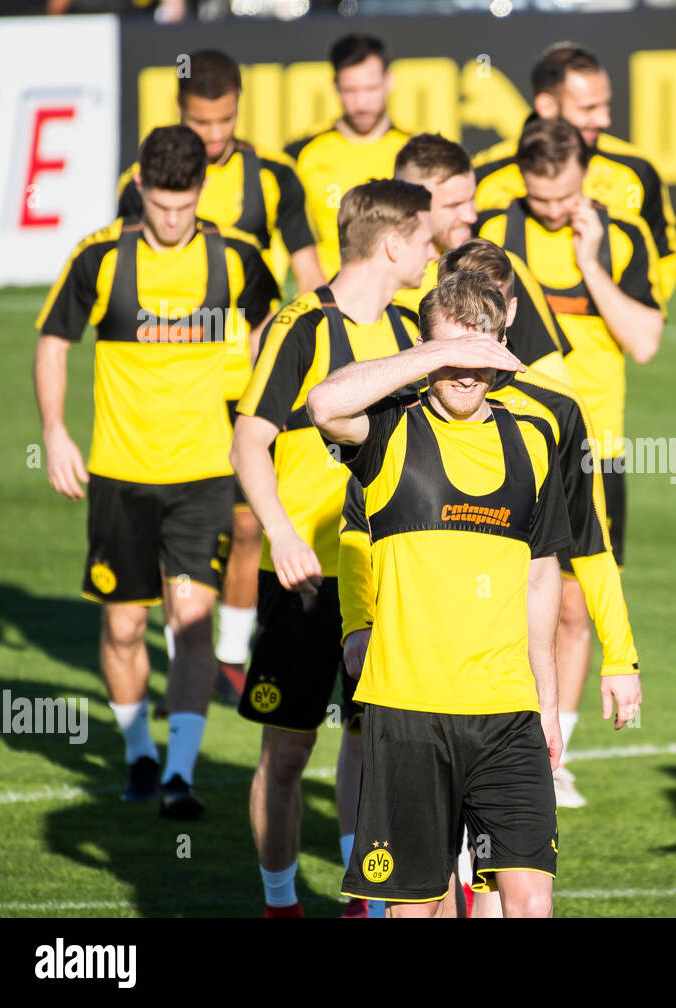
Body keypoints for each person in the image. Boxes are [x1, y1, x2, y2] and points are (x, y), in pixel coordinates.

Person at [309, 271, 573, 917]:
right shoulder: (389, 432)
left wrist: (548, 700)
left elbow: (541, 577)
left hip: (507, 713)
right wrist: (436, 352)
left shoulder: (534, 441)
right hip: (409, 714)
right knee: (416, 909)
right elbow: (323, 405)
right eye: (451, 356)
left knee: (531, 899)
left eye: (480, 354)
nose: (465, 372)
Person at [35, 124, 280, 817]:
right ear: (139, 189)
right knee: (120, 628)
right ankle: (138, 750)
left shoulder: (237, 259)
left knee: (191, 620)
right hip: (119, 478)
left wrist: (260, 425)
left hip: (203, 478)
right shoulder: (101, 258)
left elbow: (274, 339)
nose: (171, 221)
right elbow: (55, 341)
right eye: (158, 206)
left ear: (202, 193)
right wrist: (54, 432)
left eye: (184, 206)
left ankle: (179, 774)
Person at [230, 179, 434, 917]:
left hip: (388, 580)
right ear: (392, 244)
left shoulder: (414, 327)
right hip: (309, 577)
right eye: (425, 239)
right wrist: (281, 533)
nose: (432, 252)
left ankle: (364, 897)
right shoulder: (301, 326)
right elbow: (248, 440)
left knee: (373, 741)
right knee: (286, 755)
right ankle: (281, 902)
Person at [118, 49, 325, 699]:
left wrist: (309, 345)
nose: (214, 135)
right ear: (180, 111)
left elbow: (311, 272)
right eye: (202, 121)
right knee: (173, 520)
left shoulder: (274, 177)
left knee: (245, 522)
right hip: (175, 379)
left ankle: (229, 657)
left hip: (252, 375)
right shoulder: (140, 181)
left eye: (226, 119)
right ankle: (188, 650)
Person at [477, 117, 664, 804]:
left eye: (566, 195)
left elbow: (643, 341)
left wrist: (590, 266)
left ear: (586, 175)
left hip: (593, 445)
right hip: (507, 437)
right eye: (542, 198)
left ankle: (554, 756)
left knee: (577, 606)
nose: (555, 211)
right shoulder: (498, 238)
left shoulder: (621, 235)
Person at [473, 42, 676, 302]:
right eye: (589, 108)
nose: (604, 120)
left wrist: (634, 312)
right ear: (547, 106)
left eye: (605, 106)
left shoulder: (635, 171)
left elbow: (664, 253)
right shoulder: (486, 176)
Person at [392, 135, 573, 388]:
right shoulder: (382, 281)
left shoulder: (501, 268)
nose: (470, 215)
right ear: (410, 208)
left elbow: (555, 387)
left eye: (471, 199)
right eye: (454, 205)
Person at [286, 33, 410, 280]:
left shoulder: (414, 152)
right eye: (350, 90)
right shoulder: (300, 156)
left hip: (401, 297)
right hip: (328, 298)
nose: (361, 102)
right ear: (334, 86)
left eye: (370, 88)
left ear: (389, 81)